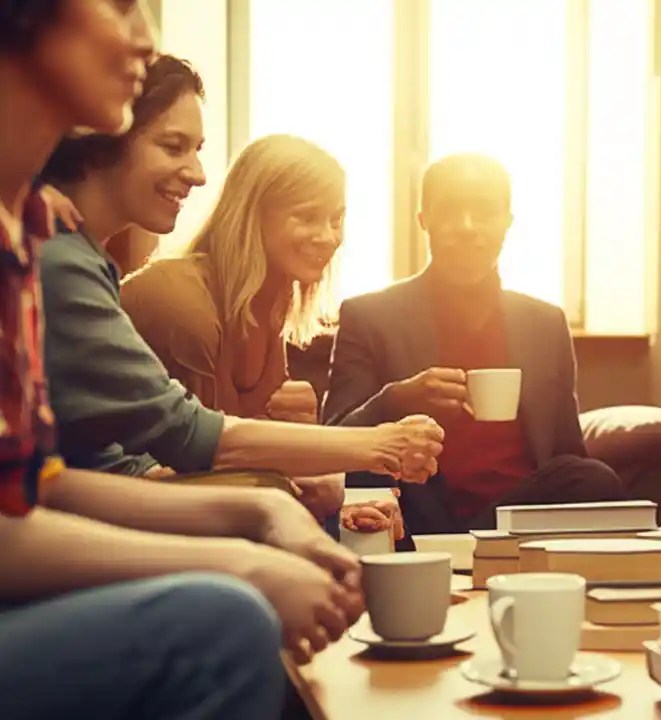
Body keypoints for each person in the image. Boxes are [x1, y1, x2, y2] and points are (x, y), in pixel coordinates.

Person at [1, 3, 347, 717]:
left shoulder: (31, 229)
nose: (143, 36)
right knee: (225, 625)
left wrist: (260, 509)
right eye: (121, 5)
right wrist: (243, 556)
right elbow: (184, 435)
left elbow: (41, 487)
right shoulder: (70, 258)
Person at [36, 55, 443, 510]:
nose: (198, 173)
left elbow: (133, 458)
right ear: (104, 135)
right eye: (173, 146)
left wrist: (327, 491)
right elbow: (188, 440)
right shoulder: (119, 281)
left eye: (336, 219)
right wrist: (380, 443)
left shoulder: (270, 307)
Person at [323, 153, 627, 534]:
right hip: (418, 509)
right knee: (376, 480)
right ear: (424, 220)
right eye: (450, 212)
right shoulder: (370, 317)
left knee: (592, 478)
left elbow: (566, 452)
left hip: (519, 514)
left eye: (483, 212)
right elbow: (331, 445)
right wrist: (395, 401)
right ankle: (464, 545)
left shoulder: (545, 323)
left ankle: (472, 544)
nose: (467, 227)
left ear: (507, 223)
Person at [119, 133, 346, 519]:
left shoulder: (274, 298)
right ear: (252, 215)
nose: (328, 237)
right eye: (307, 217)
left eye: (336, 219)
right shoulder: (179, 302)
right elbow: (202, 458)